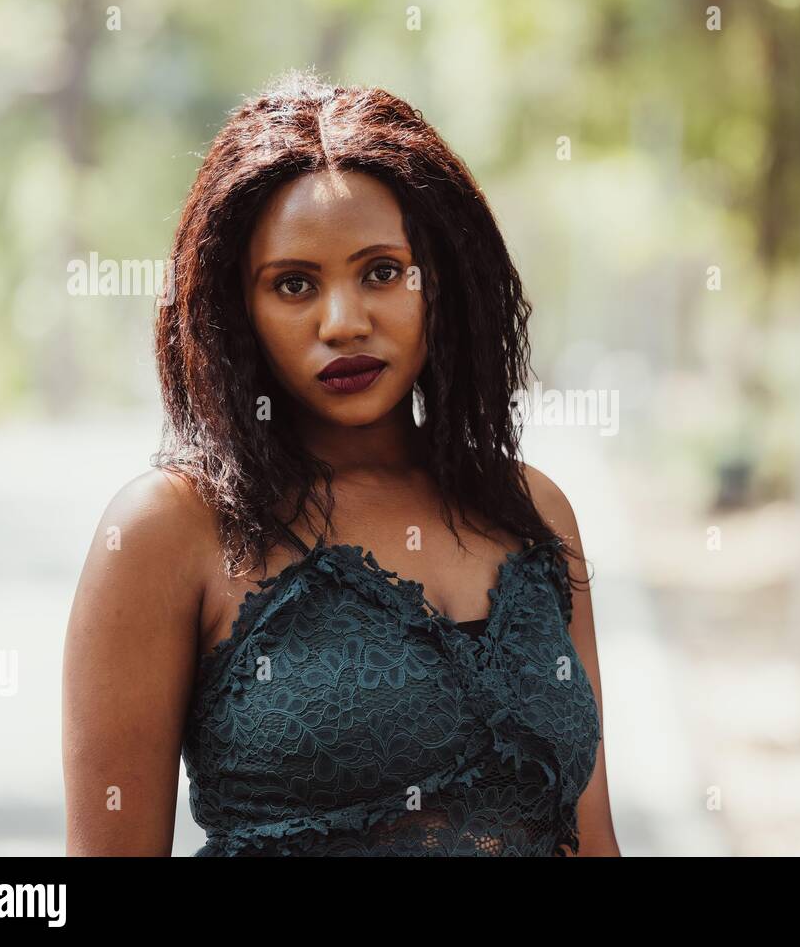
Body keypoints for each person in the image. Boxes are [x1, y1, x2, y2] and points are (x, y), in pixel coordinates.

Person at [62, 71, 619, 856]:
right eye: (294, 285)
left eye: (382, 272)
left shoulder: (532, 511)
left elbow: (589, 840)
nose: (344, 321)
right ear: (237, 310)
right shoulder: (169, 531)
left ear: (442, 284)